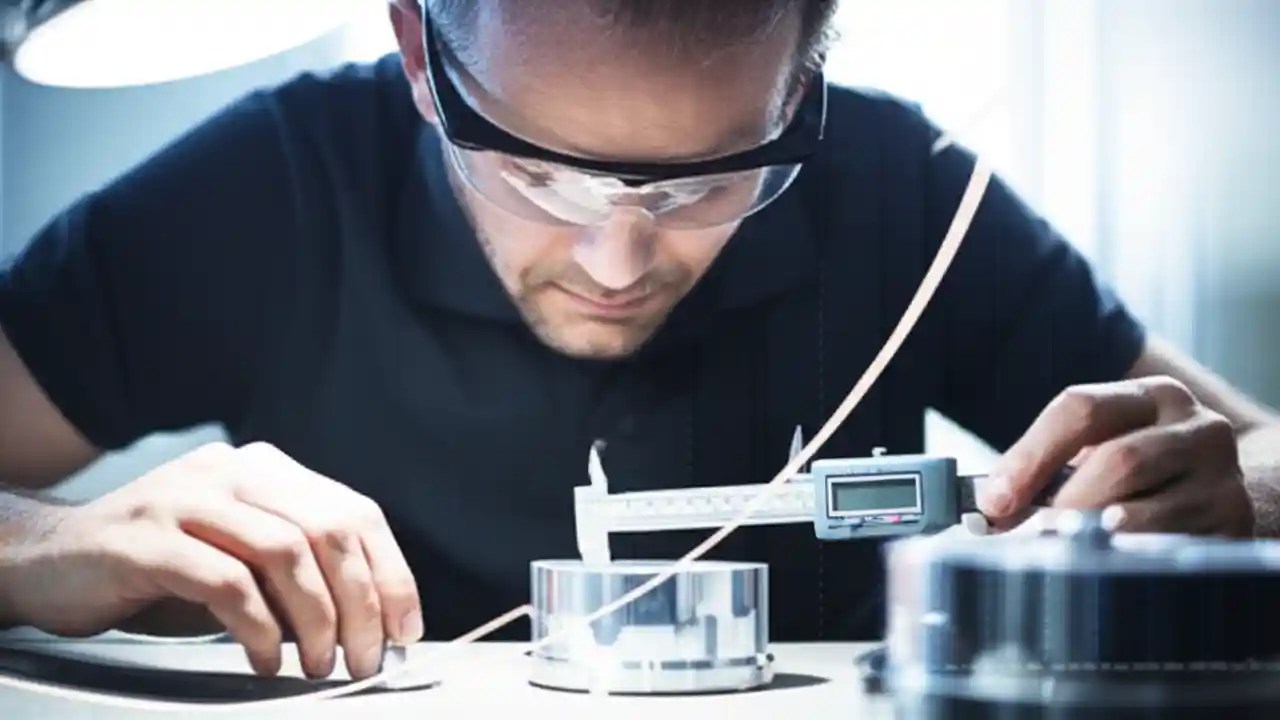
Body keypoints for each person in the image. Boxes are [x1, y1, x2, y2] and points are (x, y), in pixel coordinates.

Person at [0, 0, 1276, 682]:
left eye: (708, 182)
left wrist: (1234, 488)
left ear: (803, 89)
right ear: (416, 56)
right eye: (535, 175)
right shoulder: (268, 189)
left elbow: (1251, 452)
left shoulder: (902, 190)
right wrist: (44, 540)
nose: (616, 263)